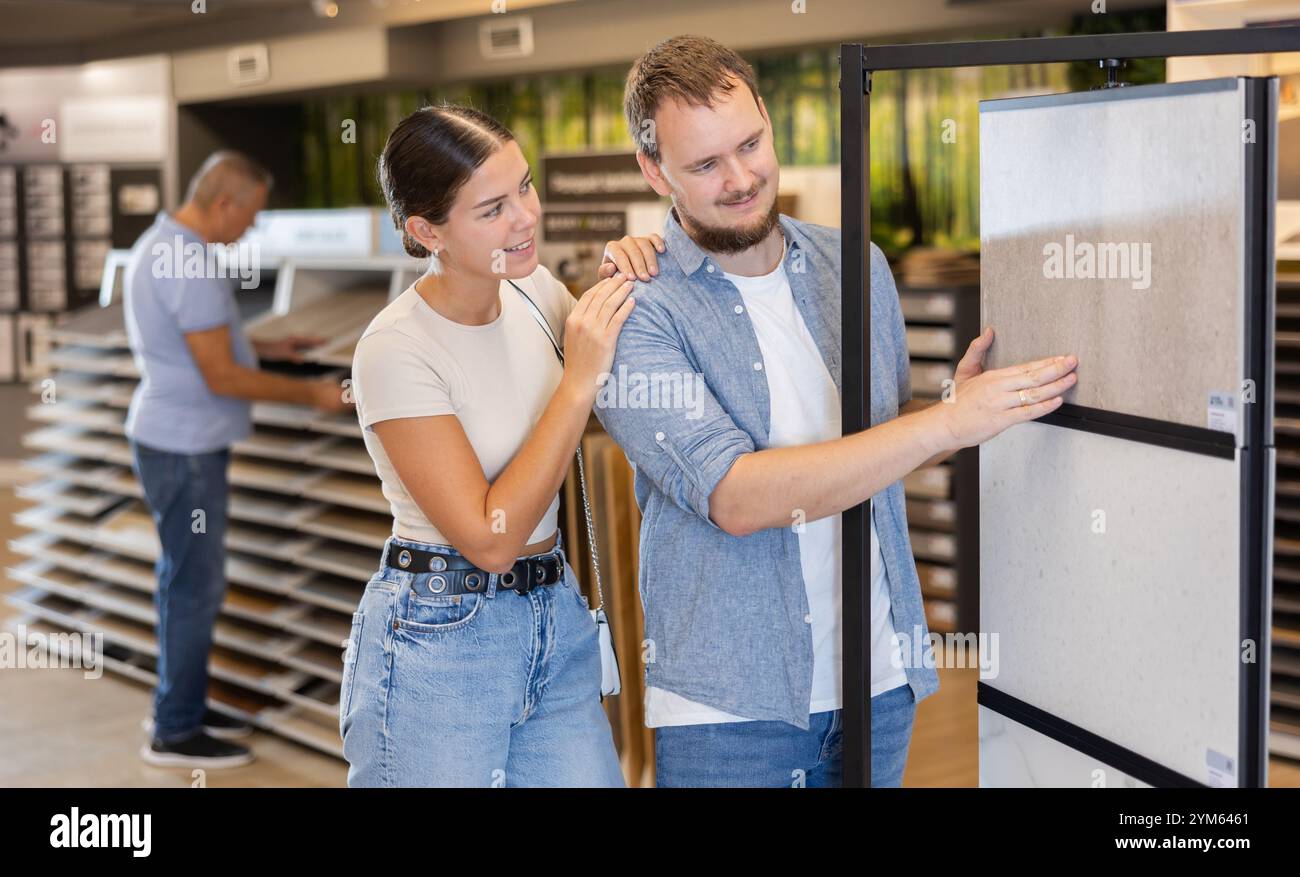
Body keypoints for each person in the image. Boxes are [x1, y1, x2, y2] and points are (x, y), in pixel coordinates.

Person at [595, 35, 1080, 787]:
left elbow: (881, 445)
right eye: (705, 164)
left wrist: (962, 408)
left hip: (879, 680)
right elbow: (736, 494)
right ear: (653, 170)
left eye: (750, 143)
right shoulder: (636, 310)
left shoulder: (856, 262)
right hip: (732, 711)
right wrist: (945, 422)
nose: (741, 177)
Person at [342, 104, 660, 787]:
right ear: (427, 231)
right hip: (440, 633)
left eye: (525, 186)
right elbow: (490, 540)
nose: (525, 217)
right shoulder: (395, 350)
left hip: (555, 611)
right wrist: (575, 385)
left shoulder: (535, 291)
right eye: (491, 209)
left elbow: (622, 363)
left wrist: (630, 268)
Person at [126, 150, 351, 768]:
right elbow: (220, 375)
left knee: (183, 578)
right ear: (223, 203)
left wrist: (271, 346)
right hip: (186, 450)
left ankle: (182, 706)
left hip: (171, 440)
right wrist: (312, 394)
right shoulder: (191, 264)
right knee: (196, 586)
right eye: (249, 215)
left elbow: (202, 343)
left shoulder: (163, 245)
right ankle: (175, 731)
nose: (250, 228)